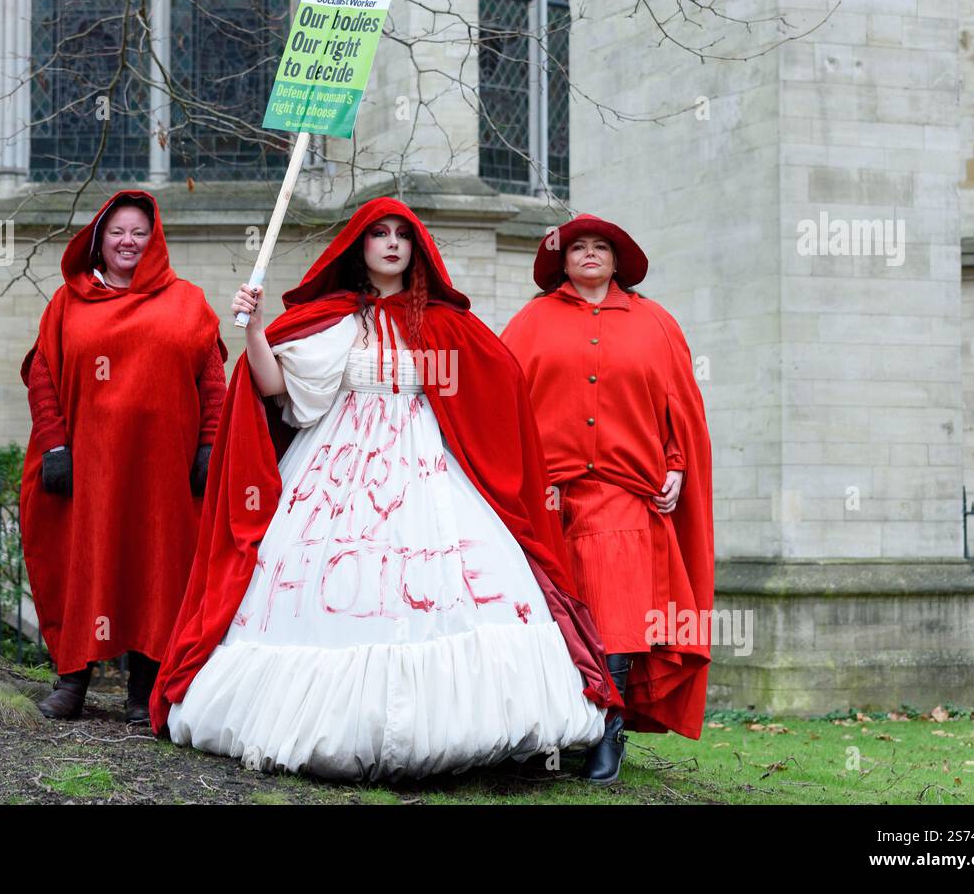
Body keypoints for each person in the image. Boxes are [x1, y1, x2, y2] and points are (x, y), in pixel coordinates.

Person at [148, 197, 620, 780]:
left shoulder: (442, 323)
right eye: (379, 234)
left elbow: (496, 385)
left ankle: (457, 729)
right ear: (359, 247)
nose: (392, 243)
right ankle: (341, 727)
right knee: (332, 585)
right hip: (335, 466)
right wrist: (254, 327)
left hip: (426, 465)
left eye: (402, 234)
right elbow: (274, 386)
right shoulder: (336, 318)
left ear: (416, 249)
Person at [500, 213, 714, 786]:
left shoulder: (656, 324)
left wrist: (676, 467)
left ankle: (606, 729)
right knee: (547, 609)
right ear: (562, 262)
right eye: (578, 248)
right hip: (546, 491)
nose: (589, 255)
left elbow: (681, 411)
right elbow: (500, 399)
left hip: (624, 488)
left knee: (617, 607)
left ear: (618, 261)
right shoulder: (530, 322)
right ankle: (545, 728)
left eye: (601, 248)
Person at [19, 190, 227, 723]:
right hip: (90, 466)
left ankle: (144, 688)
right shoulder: (68, 301)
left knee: (154, 566)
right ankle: (72, 680)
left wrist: (209, 444)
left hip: (162, 468)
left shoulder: (189, 302)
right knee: (83, 562)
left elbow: (212, 378)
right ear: (99, 239)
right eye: (117, 232)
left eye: (138, 232)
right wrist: (55, 444)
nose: (127, 241)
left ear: (153, 239)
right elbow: (42, 371)